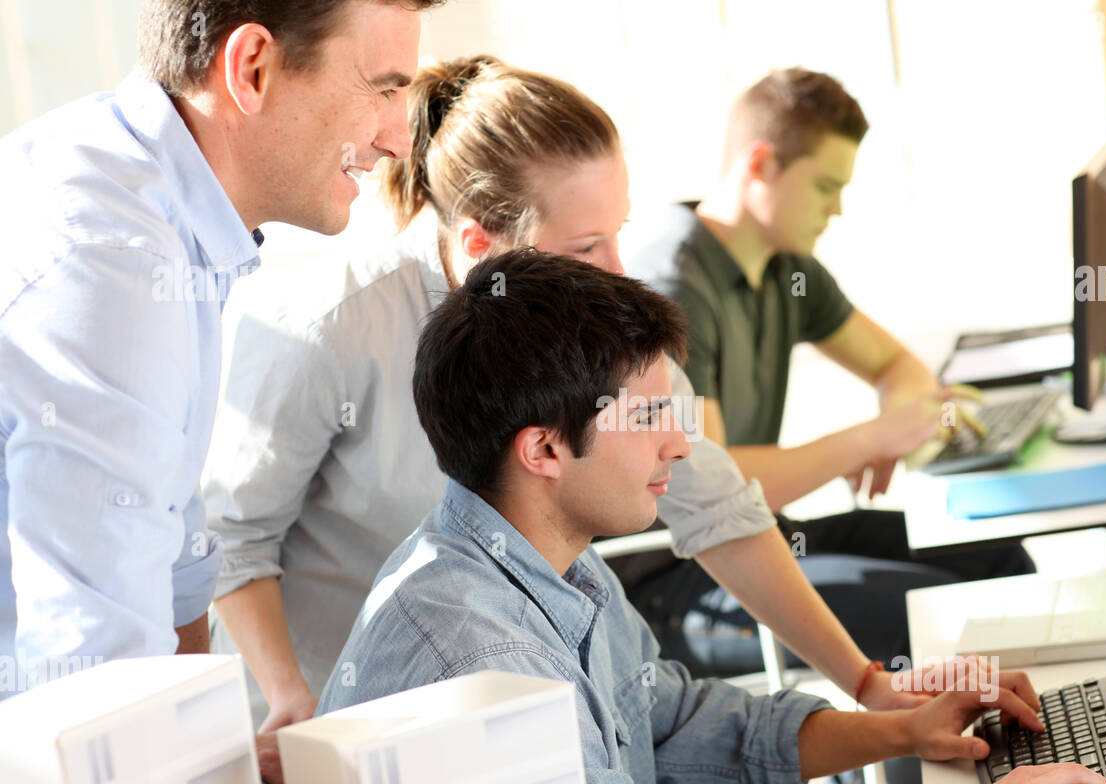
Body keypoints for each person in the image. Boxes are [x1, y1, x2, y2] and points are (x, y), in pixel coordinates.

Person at [204, 57, 951, 740]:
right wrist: (290, 696)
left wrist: (864, 684)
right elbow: (231, 538)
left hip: (518, 701)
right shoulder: (327, 331)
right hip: (339, 725)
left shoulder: (603, 328)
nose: (618, 272)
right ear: (480, 247)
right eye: (585, 248)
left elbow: (718, 505)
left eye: (619, 234)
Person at [317, 248, 1106, 784]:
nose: (678, 445)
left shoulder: (554, 563)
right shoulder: (480, 658)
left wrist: (904, 729)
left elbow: (676, 726)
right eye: (649, 419)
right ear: (544, 451)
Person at [0, 0, 448, 698]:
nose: (398, 139)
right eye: (382, 90)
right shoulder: (112, 260)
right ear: (252, 69)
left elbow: (173, 570)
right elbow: (101, 670)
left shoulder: (163, 209)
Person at [622, 67, 1036, 676]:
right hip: (685, 573)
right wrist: (870, 440)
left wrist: (899, 420)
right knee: (922, 623)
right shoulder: (673, 282)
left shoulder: (789, 268)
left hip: (769, 535)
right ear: (760, 164)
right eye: (824, 187)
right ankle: (920, 764)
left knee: (998, 560)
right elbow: (712, 484)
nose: (837, 209)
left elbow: (900, 366)